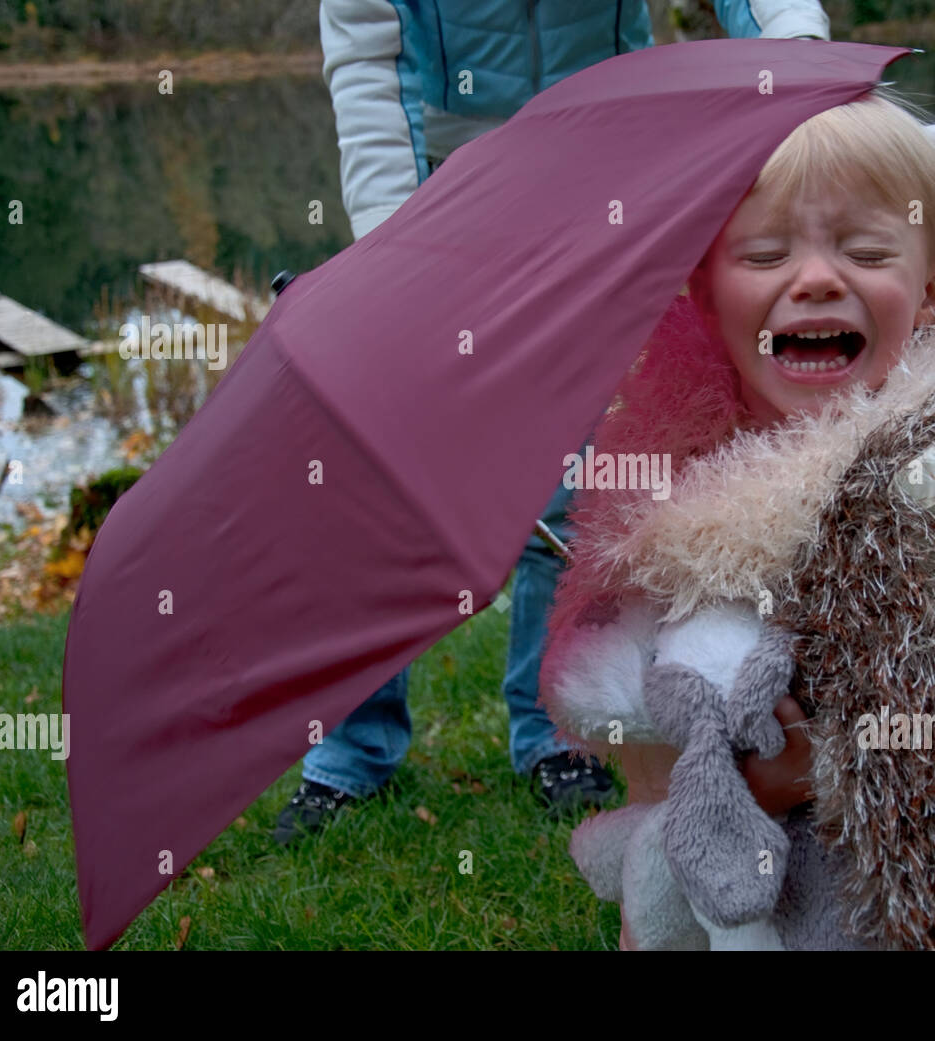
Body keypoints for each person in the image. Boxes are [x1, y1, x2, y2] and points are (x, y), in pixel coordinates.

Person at [538, 89, 935, 948]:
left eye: (863, 249)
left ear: (927, 292)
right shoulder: (681, 470)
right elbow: (643, 664)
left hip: (912, 843)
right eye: (767, 252)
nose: (816, 277)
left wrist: (840, 753)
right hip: (725, 836)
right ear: (707, 299)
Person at [275, 0, 833, 841]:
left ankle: (549, 734)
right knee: (375, 475)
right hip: (442, 179)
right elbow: (366, 59)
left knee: (580, 466)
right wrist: (393, 253)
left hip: (603, 169)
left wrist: (803, 75)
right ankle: (350, 752)